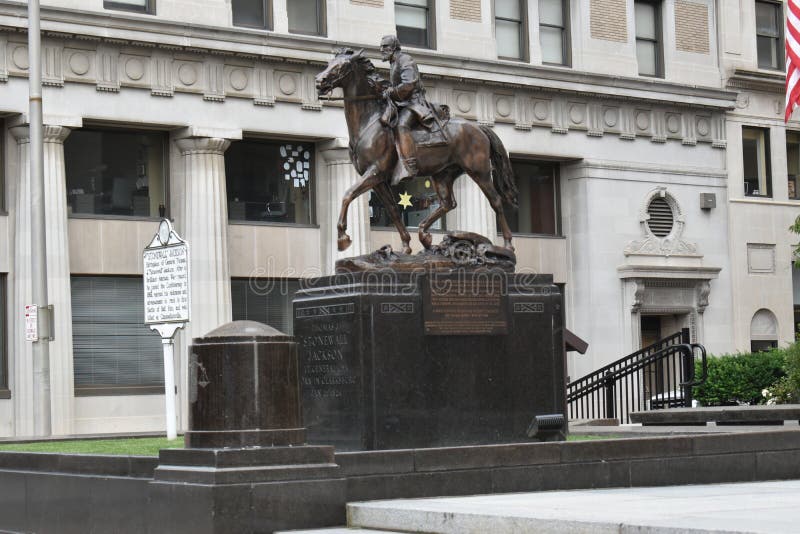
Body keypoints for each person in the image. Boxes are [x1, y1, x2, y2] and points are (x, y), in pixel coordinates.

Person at [379, 35, 434, 185]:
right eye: (381, 46)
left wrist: (391, 91)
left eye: (385, 46)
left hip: (413, 103)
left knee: (401, 125)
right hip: (402, 103)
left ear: (394, 47)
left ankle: (409, 166)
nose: (381, 50)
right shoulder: (393, 62)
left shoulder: (405, 60)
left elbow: (408, 85)